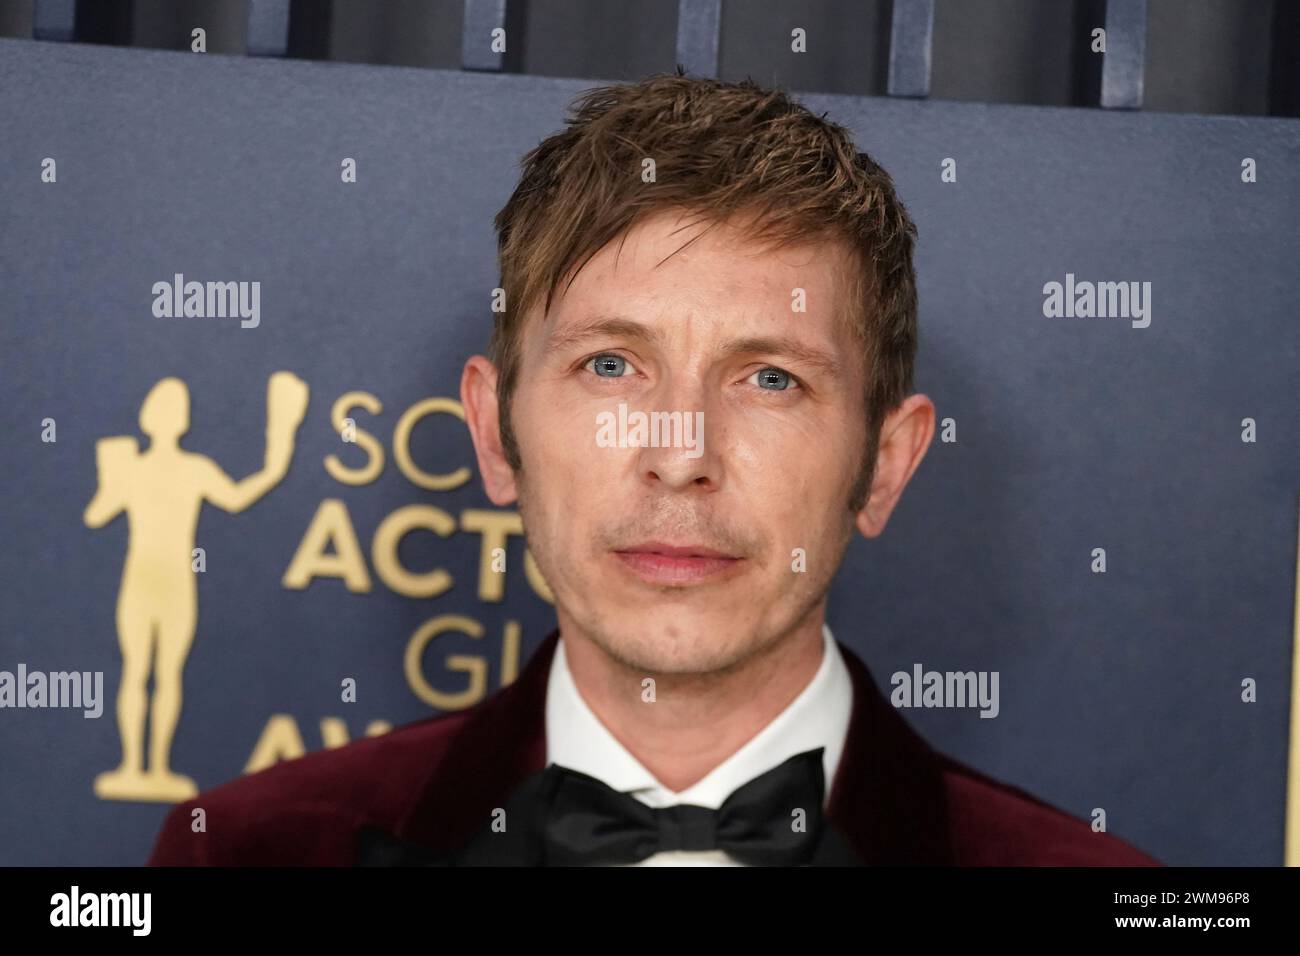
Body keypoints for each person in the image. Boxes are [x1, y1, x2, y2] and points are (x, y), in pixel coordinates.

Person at [148, 72, 1157, 866]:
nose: (682, 454)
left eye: (768, 376)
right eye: (610, 365)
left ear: (883, 464)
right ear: (496, 435)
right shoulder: (250, 853)